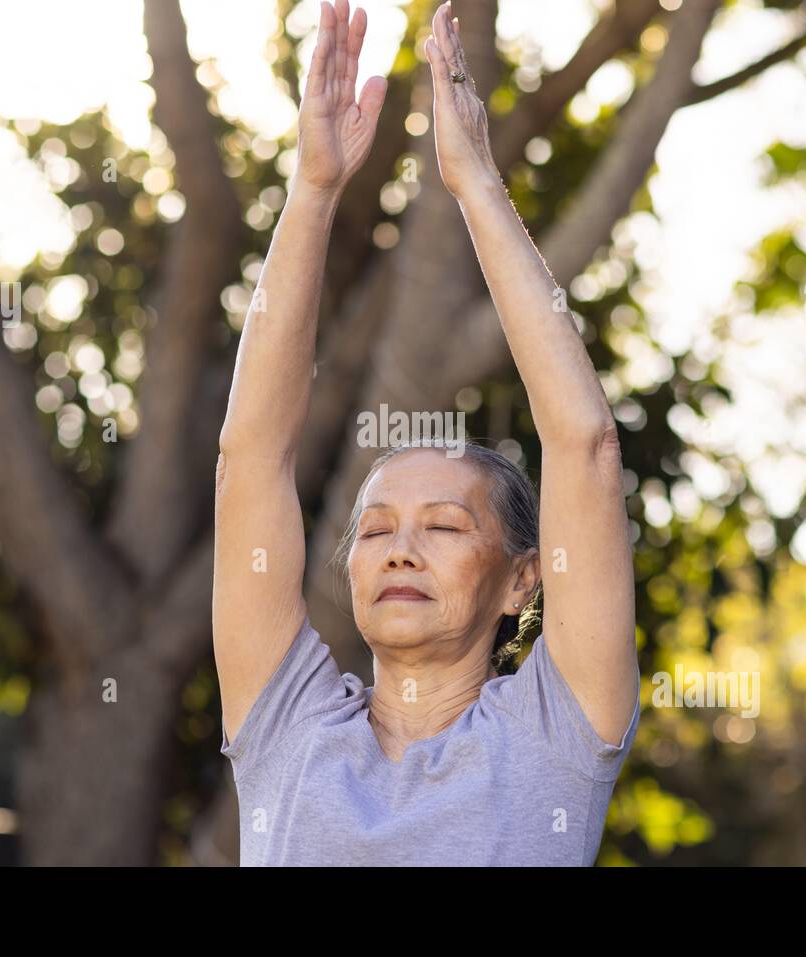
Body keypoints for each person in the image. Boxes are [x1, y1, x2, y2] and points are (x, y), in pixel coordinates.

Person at [213, 0, 640, 866]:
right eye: (375, 531)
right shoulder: (285, 724)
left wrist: (475, 183)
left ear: (524, 579)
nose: (400, 550)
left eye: (444, 526)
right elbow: (250, 458)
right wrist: (314, 191)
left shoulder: (555, 738)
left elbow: (587, 446)